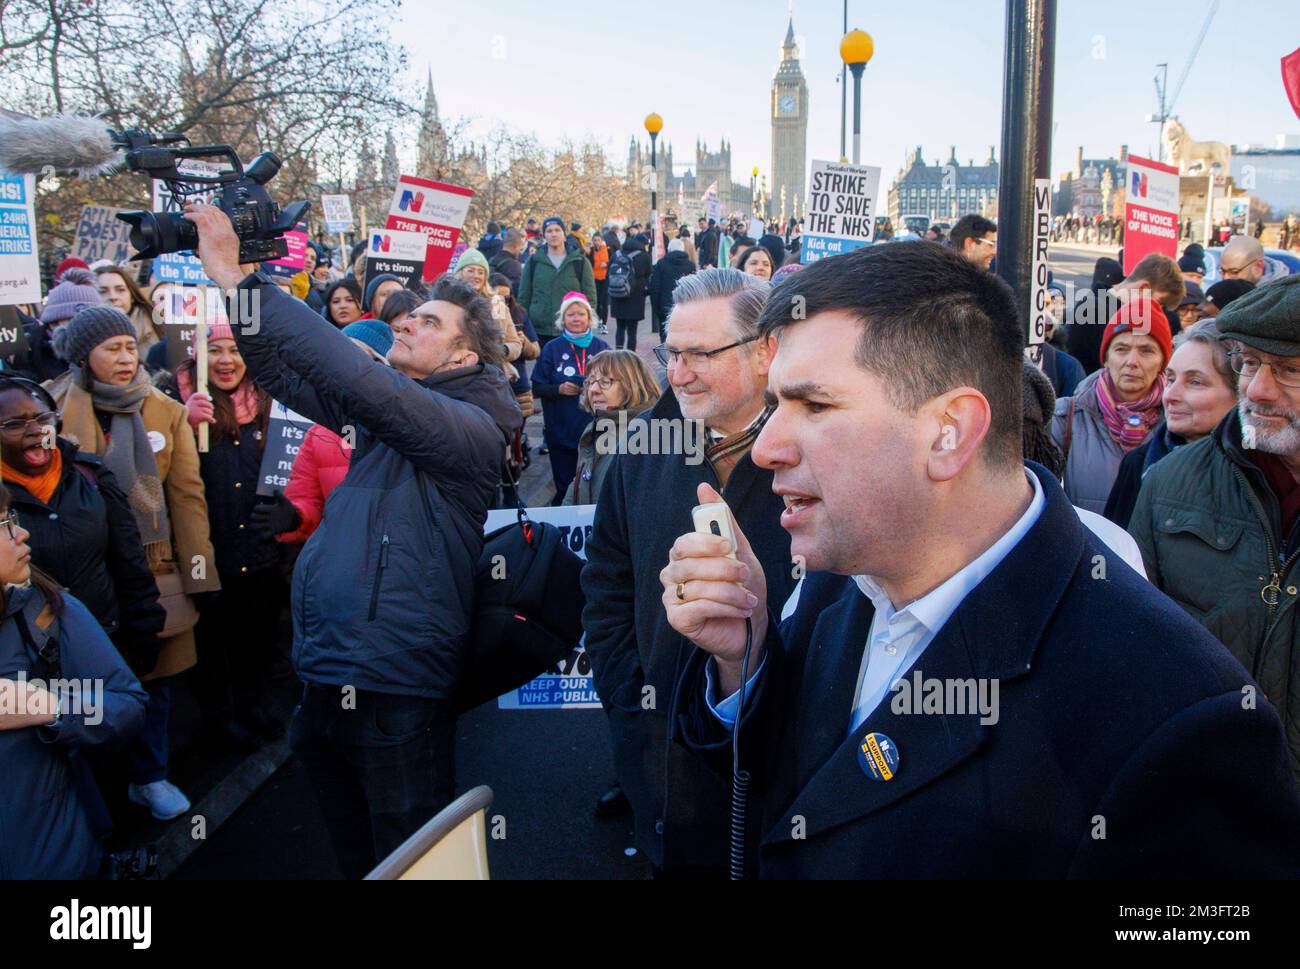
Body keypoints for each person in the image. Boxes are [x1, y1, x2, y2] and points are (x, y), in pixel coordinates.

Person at [659, 242, 1300, 878]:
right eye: (776, 405)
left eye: (815, 405)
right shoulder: (840, 583)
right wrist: (738, 662)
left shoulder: (1184, 722)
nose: (766, 446)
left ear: (951, 432)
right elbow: (793, 796)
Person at [185, 200, 523, 878]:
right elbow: (282, 372)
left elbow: (353, 374)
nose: (407, 322)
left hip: (397, 687)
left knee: (415, 864)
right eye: (407, 315)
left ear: (462, 351)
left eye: (427, 321)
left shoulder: (470, 425)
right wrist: (245, 295)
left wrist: (238, 281)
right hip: (328, 675)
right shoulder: (394, 406)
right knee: (356, 860)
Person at [583, 268, 796, 875]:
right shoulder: (639, 451)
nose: (677, 374)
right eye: (671, 354)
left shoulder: (816, 453)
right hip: (663, 769)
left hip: (783, 766)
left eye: (699, 354)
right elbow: (605, 584)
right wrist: (630, 703)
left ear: (765, 352)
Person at [45, 305, 221, 820]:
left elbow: (186, 498)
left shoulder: (165, 410)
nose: (126, 359)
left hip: (154, 570)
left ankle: (151, 776)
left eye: (129, 347)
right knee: (84, 684)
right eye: (111, 349)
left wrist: (198, 576)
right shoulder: (48, 411)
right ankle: (93, 787)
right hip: (78, 574)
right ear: (83, 357)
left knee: (155, 679)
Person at [1130, 277, 1300, 781]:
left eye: (1289, 370)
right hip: (1203, 801)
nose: (1258, 389)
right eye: (1249, 363)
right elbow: (1132, 653)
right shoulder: (1168, 484)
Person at [0, 484, 148, 879]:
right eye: (3, 524)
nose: (21, 533)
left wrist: (46, 705)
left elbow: (127, 704)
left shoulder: (48, 612)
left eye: (11, 518)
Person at [0, 374, 165, 682]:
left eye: (42, 418)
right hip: (31, 665)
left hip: (107, 645)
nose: (35, 431)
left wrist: (144, 632)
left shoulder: (91, 476)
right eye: (14, 424)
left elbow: (131, 565)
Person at [175, 321, 286, 748]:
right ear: (199, 357)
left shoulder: (267, 402)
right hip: (211, 548)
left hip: (258, 544)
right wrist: (183, 425)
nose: (226, 361)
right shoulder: (179, 403)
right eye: (215, 350)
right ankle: (219, 722)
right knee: (213, 643)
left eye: (235, 350)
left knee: (257, 635)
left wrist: (286, 511)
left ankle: (255, 707)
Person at [1103, 320, 1237, 528]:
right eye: (1171, 379)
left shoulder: (1264, 475)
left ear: (1240, 392)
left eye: (1195, 382)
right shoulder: (1138, 464)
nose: (1170, 395)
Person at [1051, 295, 1172, 513]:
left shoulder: (1177, 421)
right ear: (1106, 358)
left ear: (1163, 361)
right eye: (1121, 349)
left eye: (1146, 351)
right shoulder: (1065, 417)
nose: (1132, 362)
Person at [531, 292, 609, 502]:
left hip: (596, 432)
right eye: (571, 314)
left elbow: (617, 385)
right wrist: (559, 389)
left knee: (594, 487)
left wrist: (597, 388)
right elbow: (537, 386)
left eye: (581, 314)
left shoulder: (601, 348)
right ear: (563, 319)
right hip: (561, 431)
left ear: (589, 317)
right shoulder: (551, 348)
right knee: (564, 487)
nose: (576, 318)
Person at [563, 349, 660, 506]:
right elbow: (579, 487)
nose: (593, 390)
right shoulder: (599, 428)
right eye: (590, 381)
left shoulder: (648, 438)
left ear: (633, 383)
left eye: (605, 382)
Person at [1066, 254, 1183, 377]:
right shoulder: (1095, 312)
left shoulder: (1109, 307)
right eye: (1158, 302)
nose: (1157, 310)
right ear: (1143, 289)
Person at [519, 216, 598, 347]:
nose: (553, 234)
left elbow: (590, 297)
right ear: (544, 235)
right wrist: (525, 324)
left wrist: (586, 321)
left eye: (557, 230)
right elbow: (524, 296)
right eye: (549, 231)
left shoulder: (580, 262)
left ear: (564, 234)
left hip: (571, 329)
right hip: (541, 329)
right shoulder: (533, 261)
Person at [16, 268, 101, 383]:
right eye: (75, 320)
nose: (87, 327)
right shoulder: (30, 358)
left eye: (94, 320)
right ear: (54, 323)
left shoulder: (107, 354)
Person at [491, 272, 540, 419]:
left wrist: (523, 341)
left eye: (506, 298)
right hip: (493, 382)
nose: (501, 302)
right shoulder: (480, 314)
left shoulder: (519, 313)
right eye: (497, 297)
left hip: (518, 382)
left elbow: (536, 351)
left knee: (518, 430)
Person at [95, 265, 162, 356]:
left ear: (131, 297)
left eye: (120, 290)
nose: (113, 297)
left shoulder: (160, 327)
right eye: (102, 291)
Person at [608, 233, 652, 352]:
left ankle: (618, 353)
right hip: (635, 296)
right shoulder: (644, 256)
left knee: (620, 327)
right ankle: (630, 355)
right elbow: (648, 273)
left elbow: (609, 272)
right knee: (632, 330)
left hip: (618, 294)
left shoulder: (616, 254)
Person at [648, 238, 695, 341]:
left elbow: (655, 288)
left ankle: (667, 357)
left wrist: (657, 309)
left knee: (666, 338)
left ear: (669, 250)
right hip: (685, 306)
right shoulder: (690, 265)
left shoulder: (661, 264)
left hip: (665, 307)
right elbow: (694, 289)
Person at [587, 233, 610, 333]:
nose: (596, 242)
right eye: (595, 240)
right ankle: (597, 320)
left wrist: (607, 264)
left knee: (604, 302)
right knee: (596, 301)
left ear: (601, 241)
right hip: (594, 279)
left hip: (605, 279)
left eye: (598, 240)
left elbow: (613, 261)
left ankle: (604, 323)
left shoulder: (607, 250)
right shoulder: (590, 251)